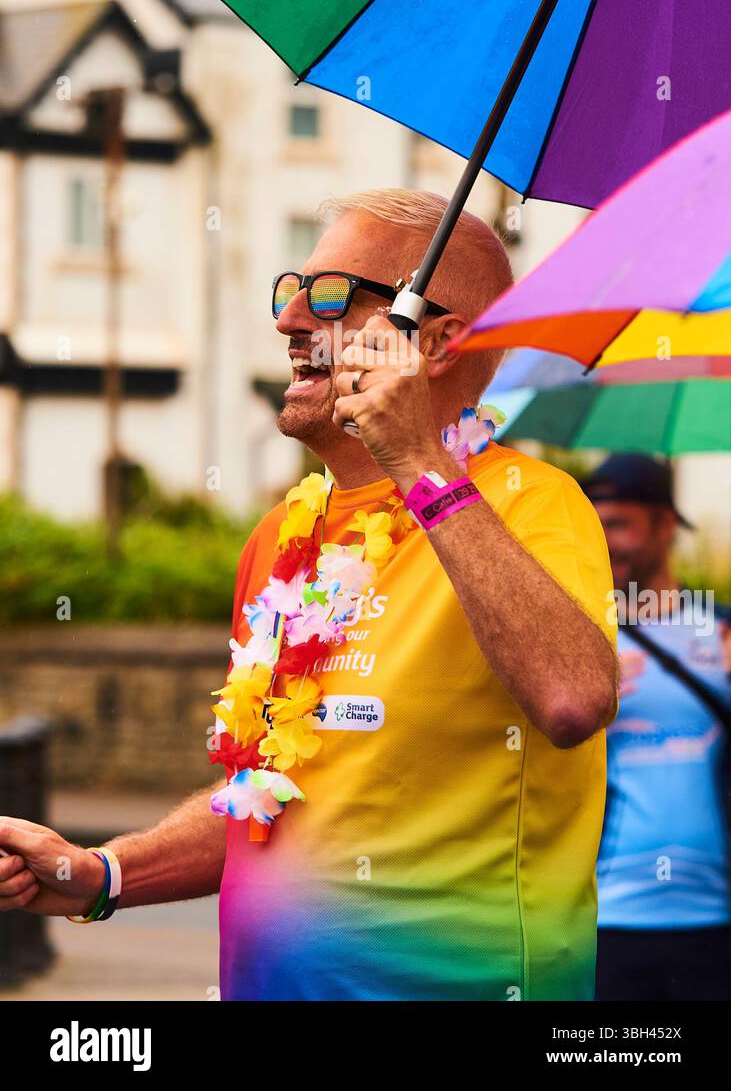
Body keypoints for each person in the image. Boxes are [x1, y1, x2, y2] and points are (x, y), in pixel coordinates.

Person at [0, 190, 617, 1002]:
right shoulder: (283, 536)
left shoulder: (529, 504)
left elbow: (574, 698)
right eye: (292, 288)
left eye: (331, 295)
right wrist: (103, 872)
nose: (289, 318)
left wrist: (420, 466)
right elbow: (274, 803)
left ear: (435, 342)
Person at [582, 453, 731, 1002]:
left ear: (667, 524)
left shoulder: (720, 634)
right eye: (596, 528)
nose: (606, 542)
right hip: (604, 921)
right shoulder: (579, 646)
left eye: (619, 524)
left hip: (716, 923)